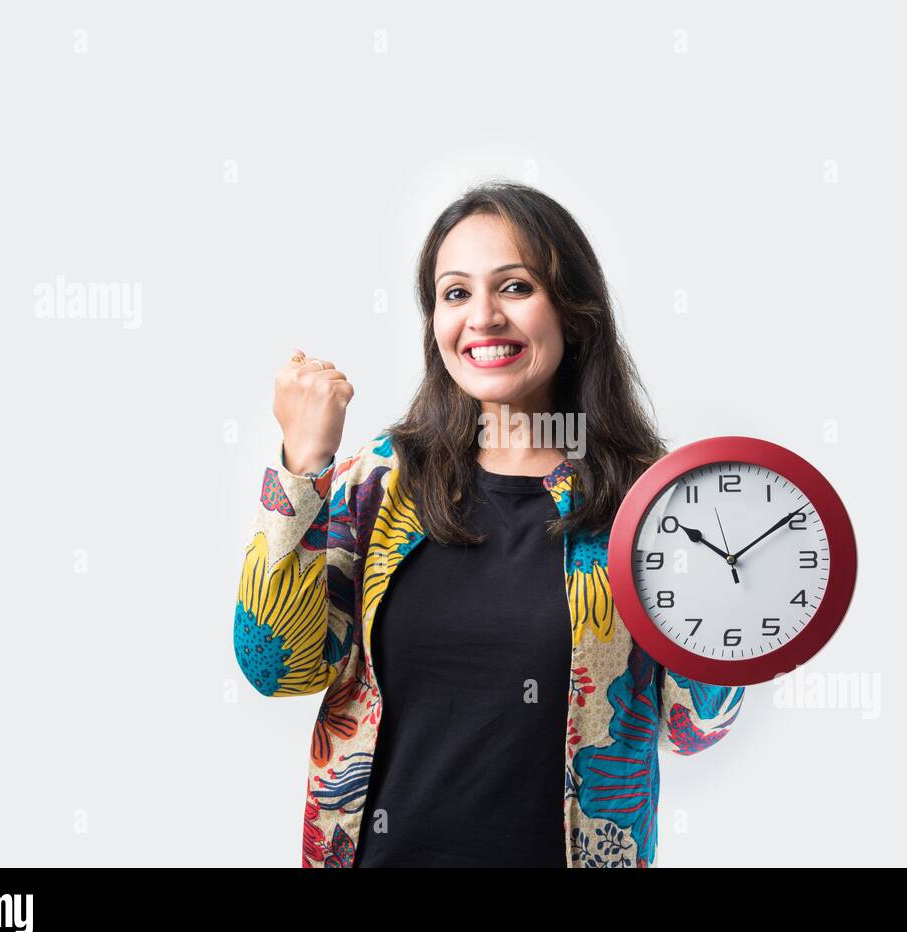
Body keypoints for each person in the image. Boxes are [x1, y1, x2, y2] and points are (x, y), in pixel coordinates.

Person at [233, 179, 745, 868]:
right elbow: (276, 666)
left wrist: (724, 571)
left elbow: (692, 727)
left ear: (575, 313)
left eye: (515, 287)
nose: (483, 317)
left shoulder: (649, 502)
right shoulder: (382, 482)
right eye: (455, 293)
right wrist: (303, 465)